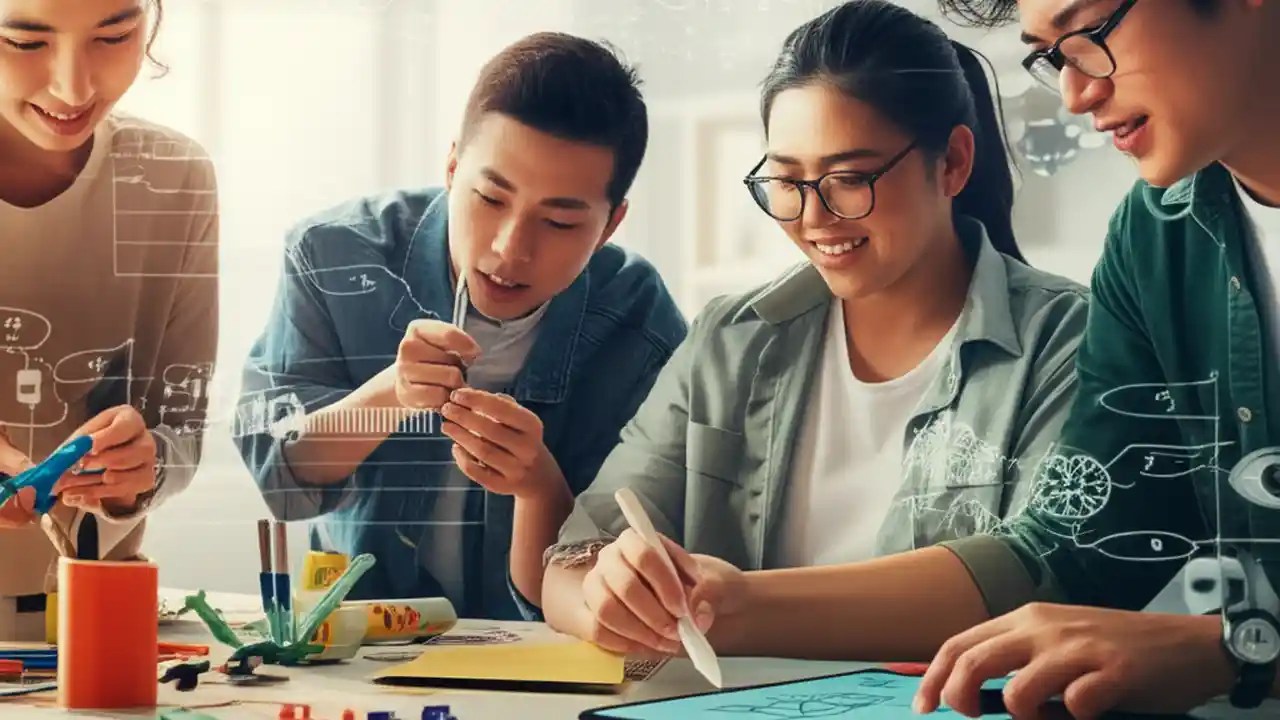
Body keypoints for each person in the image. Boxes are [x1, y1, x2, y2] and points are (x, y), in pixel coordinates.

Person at [539, 0, 1089, 656]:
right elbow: (574, 556)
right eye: (786, 181)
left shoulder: (1067, 341)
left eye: (849, 179)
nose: (814, 216)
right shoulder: (730, 340)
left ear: (953, 164)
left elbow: (1039, 578)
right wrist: (603, 599)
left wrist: (742, 607)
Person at [234, 32, 686, 621]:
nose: (509, 248)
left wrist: (538, 487)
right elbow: (280, 474)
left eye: (558, 222)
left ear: (609, 224)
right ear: (452, 168)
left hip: (536, 663)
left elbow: (603, 592)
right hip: (358, 644)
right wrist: (390, 393)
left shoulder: (639, 321)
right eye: (490, 198)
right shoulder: (334, 256)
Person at [0, 0, 218, 640]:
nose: (74, 87)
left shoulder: (172, 178)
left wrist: (137, 474)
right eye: (23, 41)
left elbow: (181, 430)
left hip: (98, 620)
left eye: (115, 35)